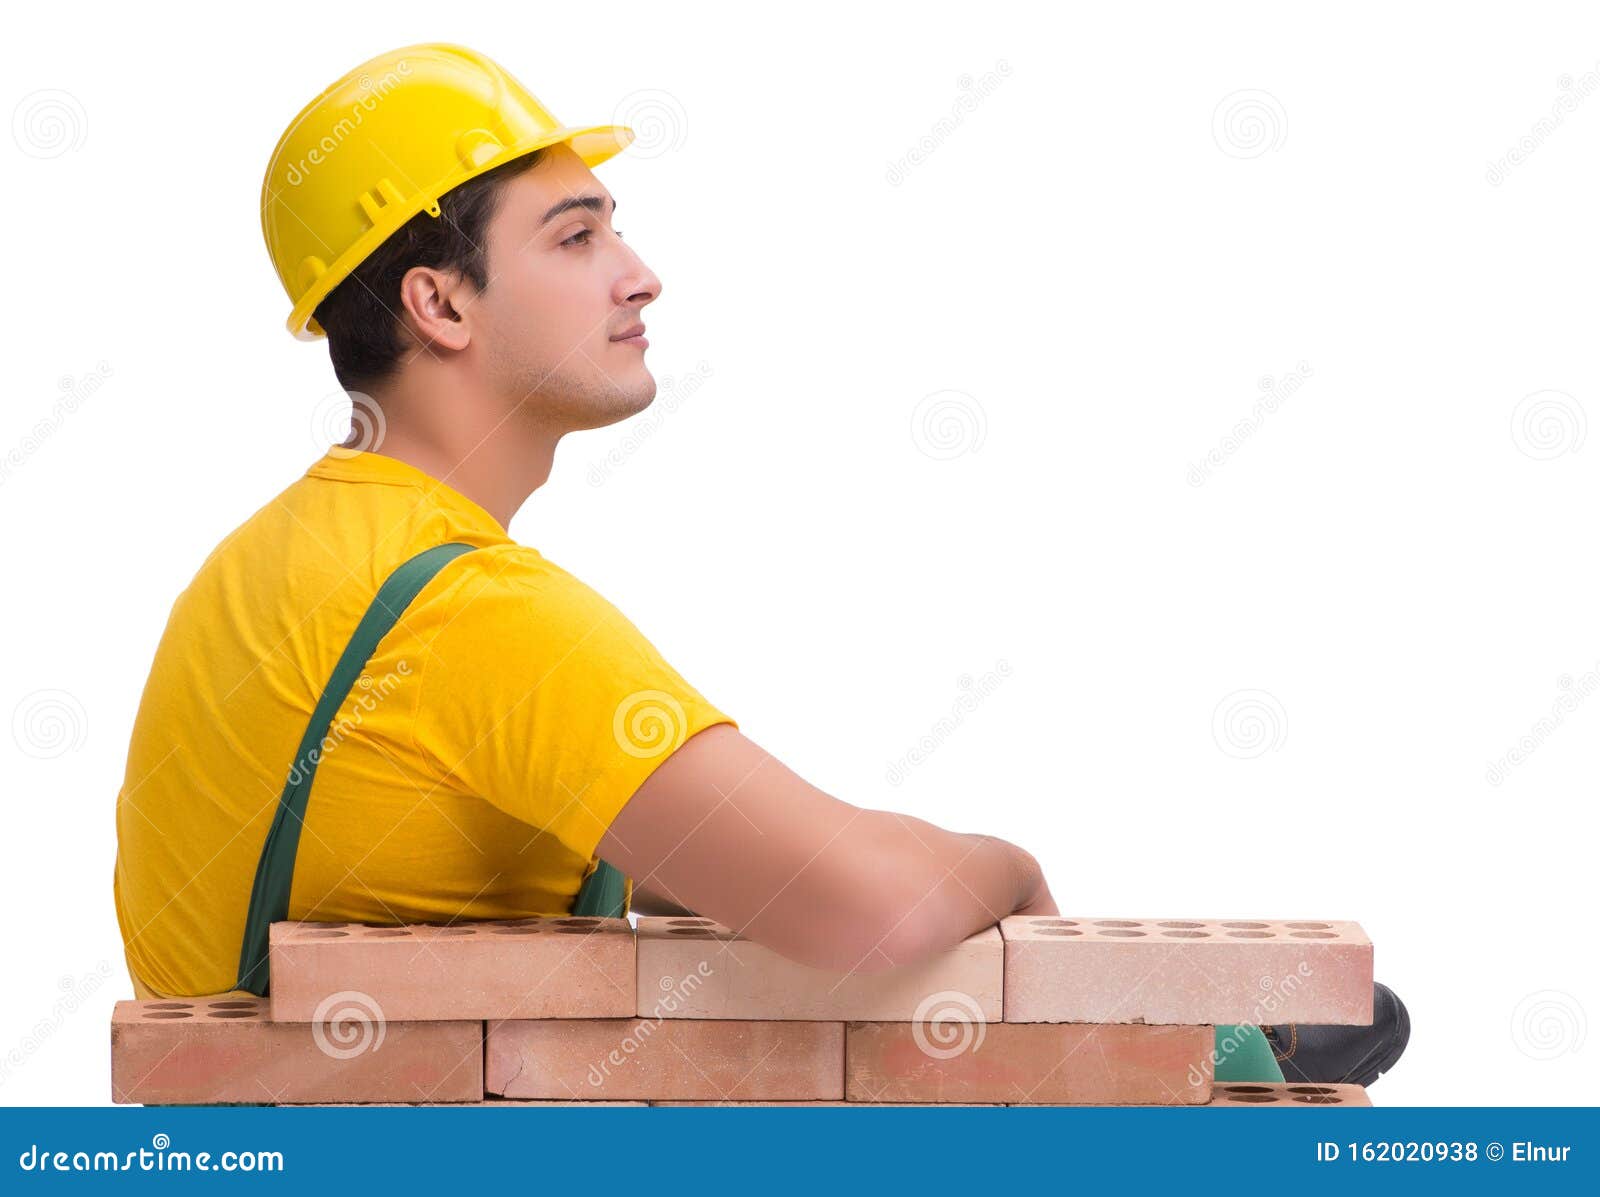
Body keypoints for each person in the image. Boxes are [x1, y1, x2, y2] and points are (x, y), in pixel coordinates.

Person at [111, 42, 1404, 1091]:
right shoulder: (465, 612)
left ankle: (1232, 1054)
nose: (641, 273)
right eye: (575, 237)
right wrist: (1004, 865)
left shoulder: (284, 557)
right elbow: (868, 912)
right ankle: (1230, 1073)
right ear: (439, 305)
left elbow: (711, 853)